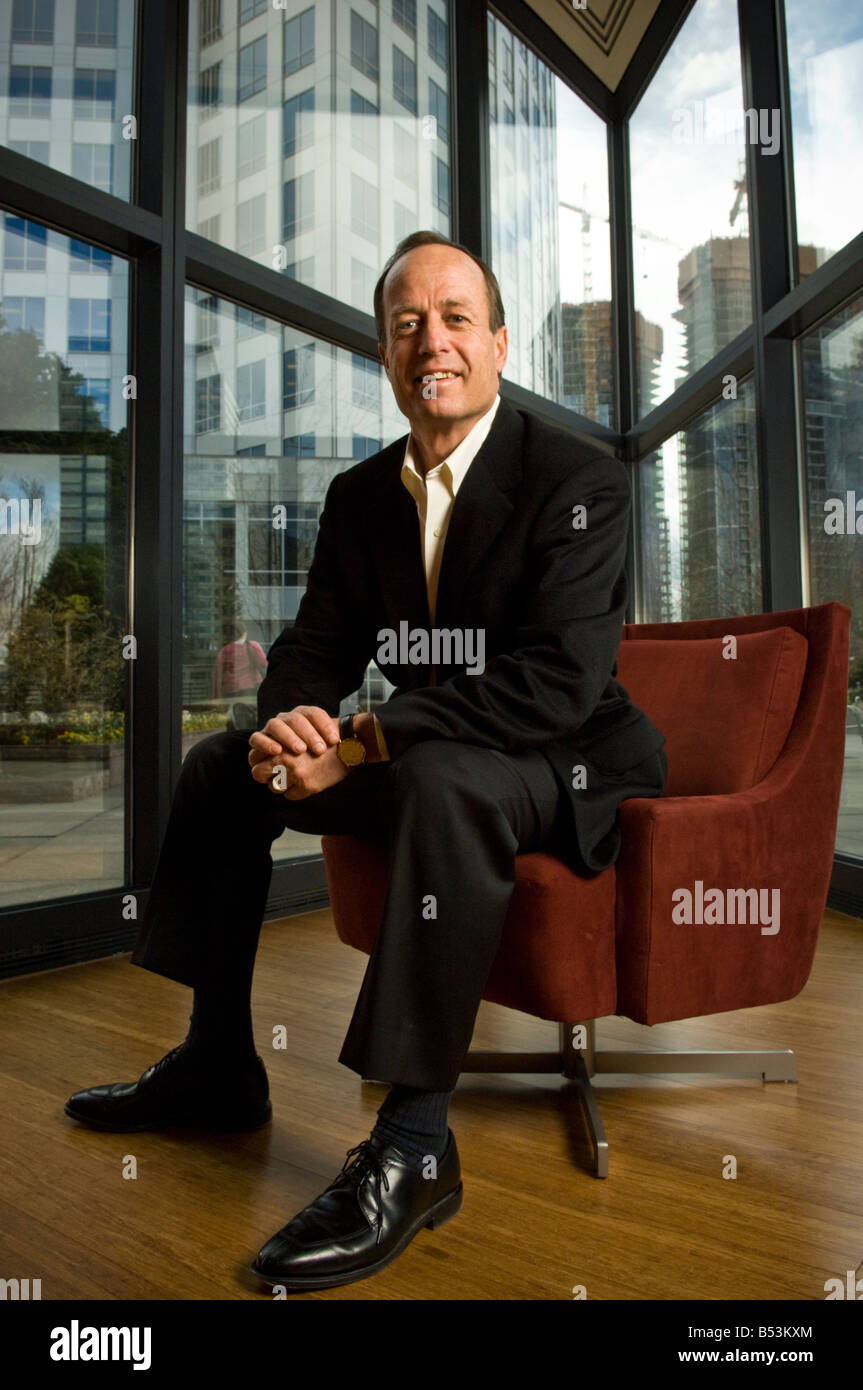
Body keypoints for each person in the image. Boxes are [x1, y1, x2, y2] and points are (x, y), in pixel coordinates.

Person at [64, 232, 667, 1294]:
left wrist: (364, 740)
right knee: (219, 768)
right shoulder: (358, 498)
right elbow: (314, 645)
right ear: (384, 353)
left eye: (452, 319)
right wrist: (295, 723)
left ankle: (417, 1144)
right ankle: (216, 1062)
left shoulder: (577, 477)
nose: (429, 340)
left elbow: (555, 686)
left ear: (496, 342)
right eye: (404, 325)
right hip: (440, 744)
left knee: (442, 779)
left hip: (562, 757)